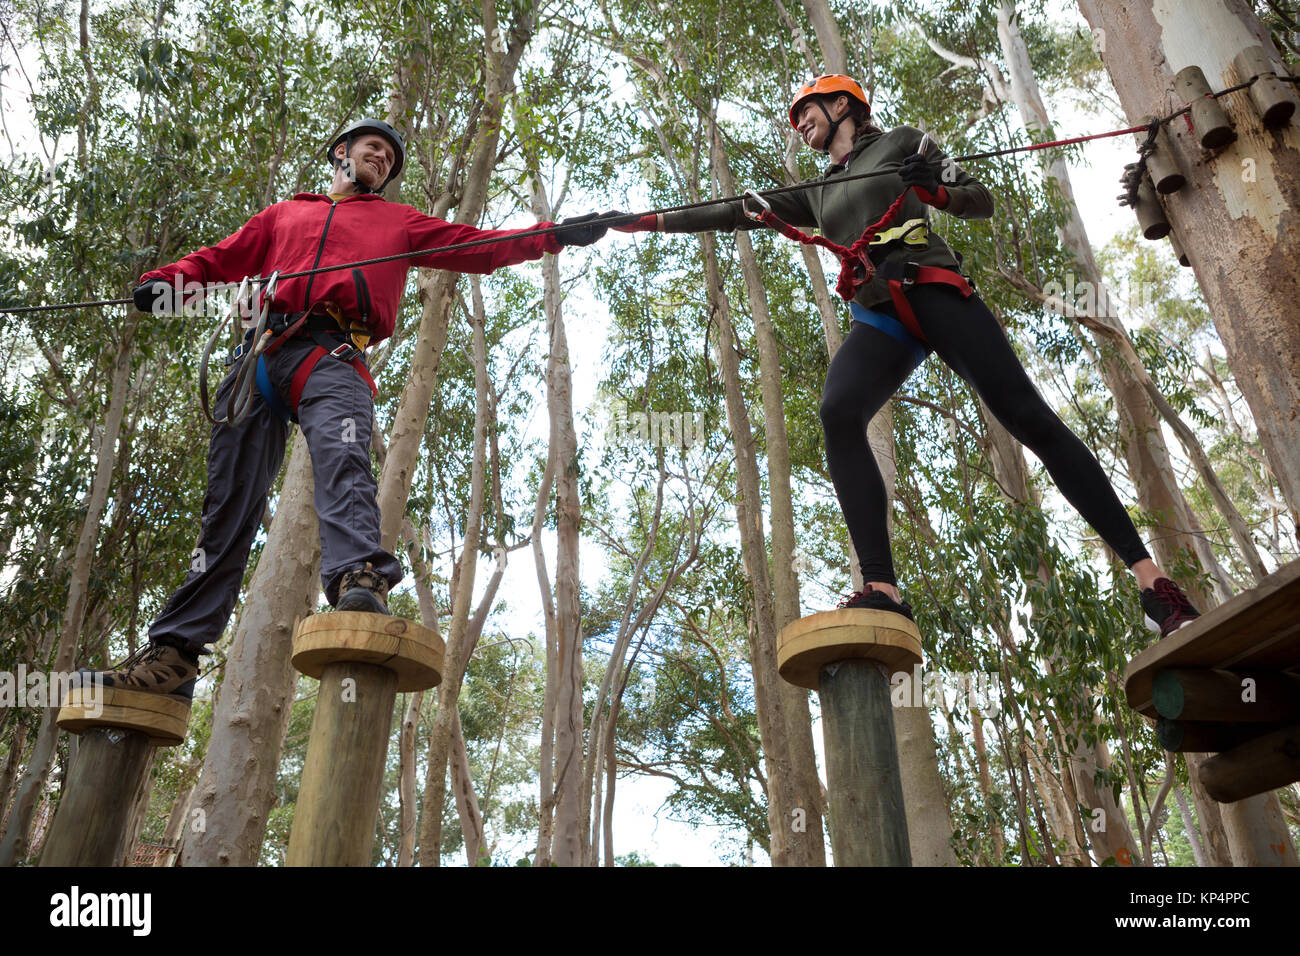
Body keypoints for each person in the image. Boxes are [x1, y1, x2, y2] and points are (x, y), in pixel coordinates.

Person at [617, 75, 1201, 638]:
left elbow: (978, 199)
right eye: (795, 118)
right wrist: (643, 221)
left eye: (808, 110)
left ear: (844, 104)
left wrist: (933, 187)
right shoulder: (816, 191)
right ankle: (884, 590)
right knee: (839, 412)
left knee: (1026, 416)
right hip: (878, 318)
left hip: (932, 286)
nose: (800, 124)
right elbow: (732, 211)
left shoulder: (900, 143)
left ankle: (1154, 583)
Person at [84, 117, 614, 702]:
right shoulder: (286, 215)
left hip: (332, 357)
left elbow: (477, 247)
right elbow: (219, 259)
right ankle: (175, 655)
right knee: (227, 505)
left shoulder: (397, 221)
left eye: (390, 156)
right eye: (373, 148)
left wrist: (554, 235)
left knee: (343, 463)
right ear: (340, 153)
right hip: (258, 354)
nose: (382, 159)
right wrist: (169, 283)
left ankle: (359, 578)